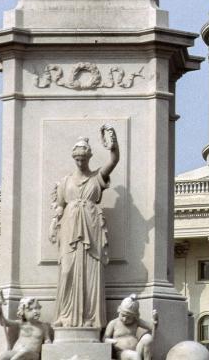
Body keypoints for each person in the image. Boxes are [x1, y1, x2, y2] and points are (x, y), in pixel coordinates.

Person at [49, 126, 120, 328]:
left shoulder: (96, 177)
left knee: (91, 273)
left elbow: (114, 160)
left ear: (88, 158)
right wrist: (54, 223)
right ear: (74, 159)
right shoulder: (65, 182)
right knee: (67, 271)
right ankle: (65, 314)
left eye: (83, 159)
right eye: (77, 159)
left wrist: (113, 145)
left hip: (91, 225)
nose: (80, 162)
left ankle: (90, 317)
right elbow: (59, 206)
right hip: (69, 226)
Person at [0, 287, 54, 360]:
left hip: (32, 354)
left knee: (23, 352)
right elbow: (3, 322)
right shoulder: (21, 323)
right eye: (31, 309)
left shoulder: (43, 326)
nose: (35, 311)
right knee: (3, 356)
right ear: (23, 312)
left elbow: (47, 342)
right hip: (16, 351)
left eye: (37, 308)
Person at [104, 294, 155, 360]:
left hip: (137, 350)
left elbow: (151, 327)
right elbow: (104, 339)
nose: (125, 319)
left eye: (129, 317)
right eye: (123, 315)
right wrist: (112, 341)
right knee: (135, 355)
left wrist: (155, 321)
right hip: (122, 353)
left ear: (134, 317)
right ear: (119, 311)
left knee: (148, 337)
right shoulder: (114, 323)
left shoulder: (136, 321)